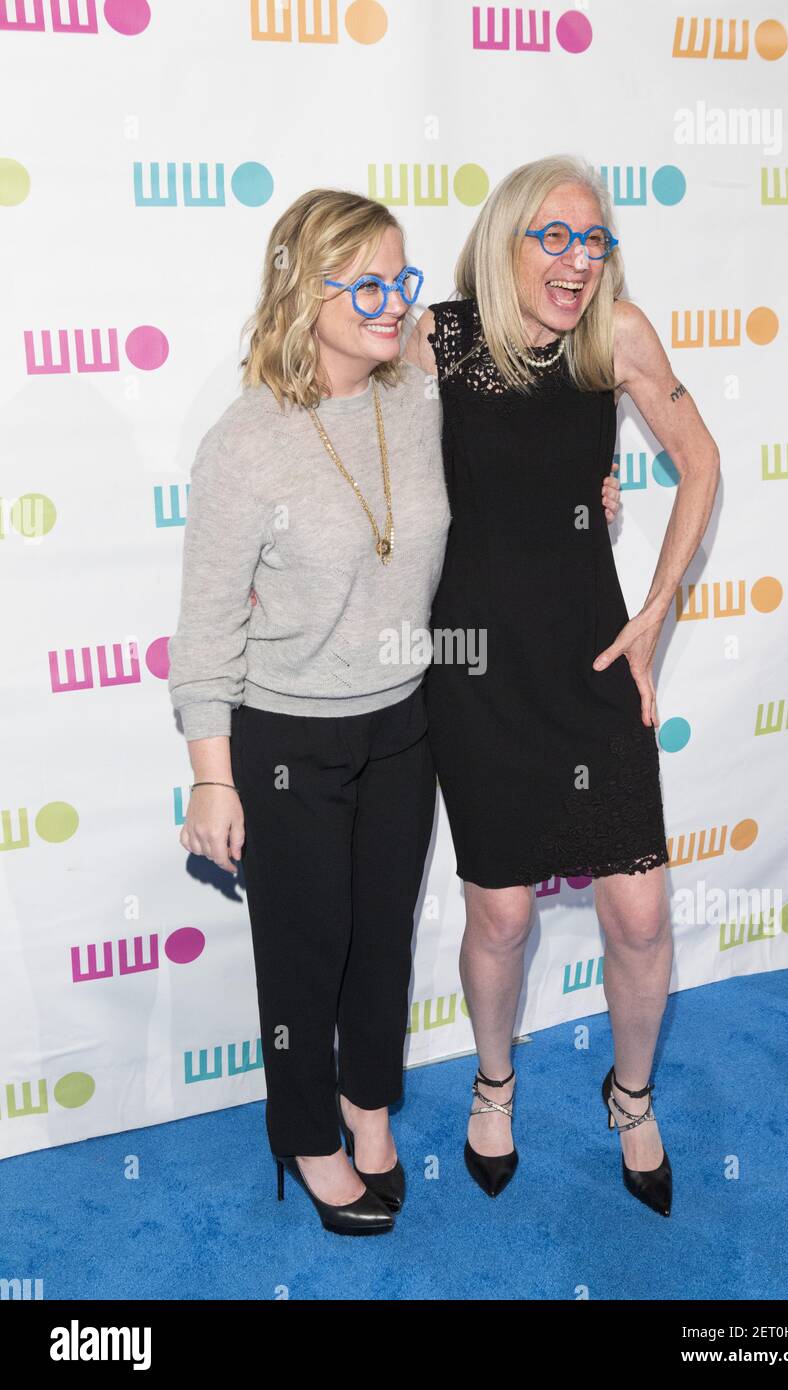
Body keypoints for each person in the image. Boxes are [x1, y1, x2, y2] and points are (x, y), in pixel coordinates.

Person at [405, 154, 720, 1217]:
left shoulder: (615, 336)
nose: (576, 261)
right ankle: (493, 1083)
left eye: (593, 241)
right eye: (554, 236)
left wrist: (657, 606)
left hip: (590, 655)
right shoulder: (435, 339)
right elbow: (361, 464)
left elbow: (700, 460)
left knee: (638, 914)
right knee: (497, 913)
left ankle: (629, 1097)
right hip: (474, 667)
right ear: (504, 240)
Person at [167, 189, 454, 1235]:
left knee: (383, 937)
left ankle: (367, 1102)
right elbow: (204, 630)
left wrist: (592, 487)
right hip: (288, 737)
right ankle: (303, 1129)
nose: (394, 304)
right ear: (305, 290)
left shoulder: (416, 399)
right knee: (305, 946)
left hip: (404, 726)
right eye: (367, 284)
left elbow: (513, 466)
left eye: (401, 279)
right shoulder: (245, 442)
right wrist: (212, 773)